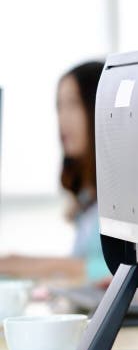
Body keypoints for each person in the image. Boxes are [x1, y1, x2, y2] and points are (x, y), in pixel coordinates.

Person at [0, 61, 109, 284]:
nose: (63, 118)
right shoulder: (87, 197)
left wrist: (22, 264)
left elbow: (111, 271)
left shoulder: (122, 194)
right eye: (59, 106)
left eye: (73, 104)